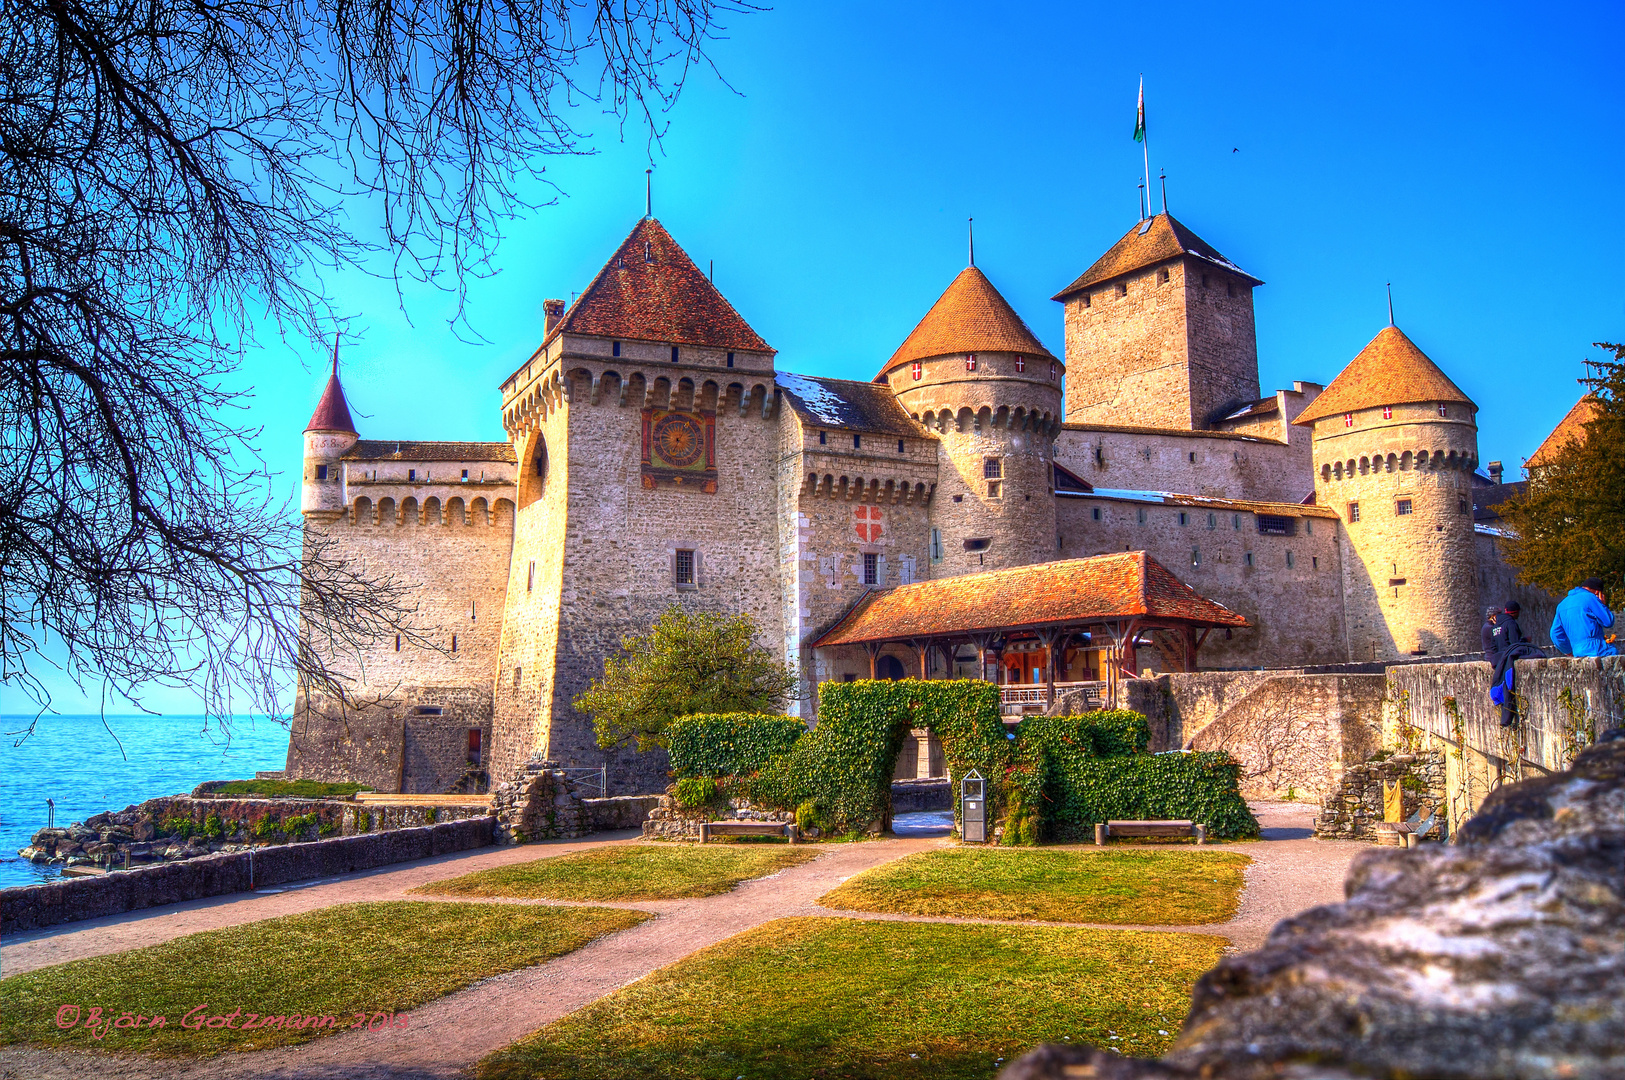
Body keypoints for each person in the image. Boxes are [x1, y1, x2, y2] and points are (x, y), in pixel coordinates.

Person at [1551, 577, 1619, 658]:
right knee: (1615, 656)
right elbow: (1608, 622)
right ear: (1597, 592)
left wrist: (1568, 651)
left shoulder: (1562, 604)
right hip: (1596, 649)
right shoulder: (1591, 598)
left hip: (1577, 652)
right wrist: (1603, 605)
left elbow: (1555, 634)